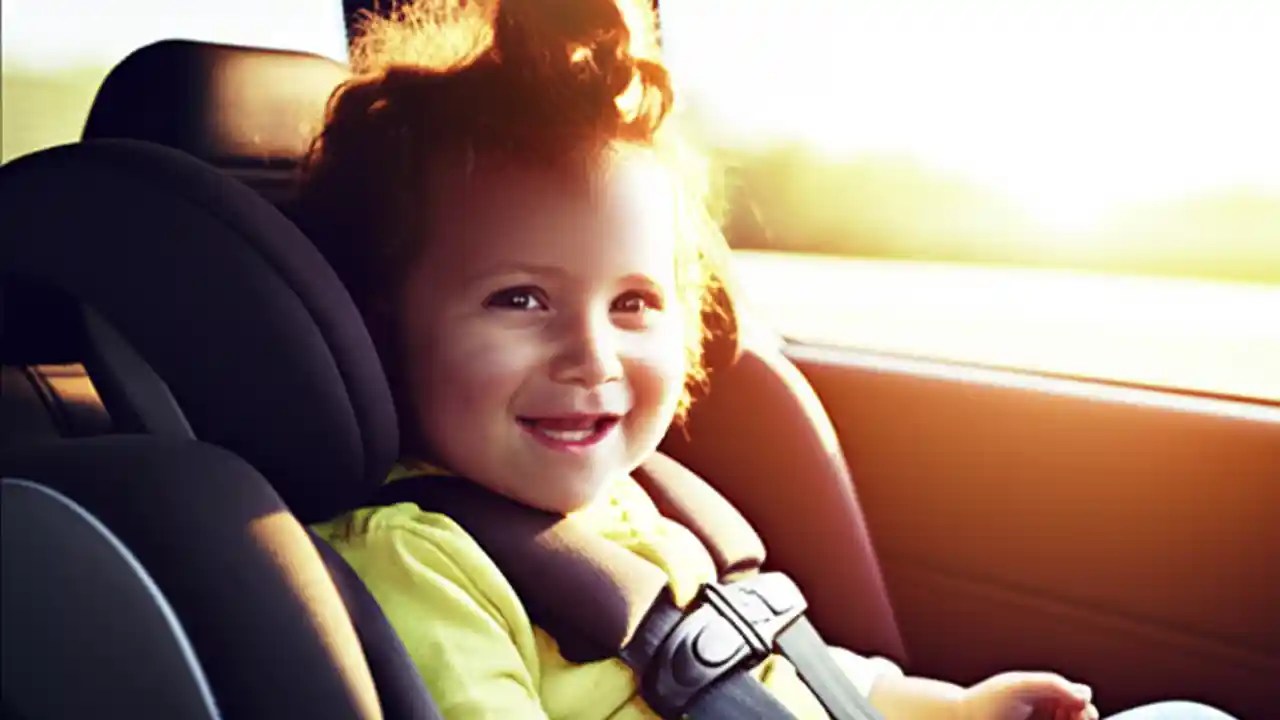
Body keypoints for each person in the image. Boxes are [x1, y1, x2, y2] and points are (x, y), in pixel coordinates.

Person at [302, 1, 1238, 718]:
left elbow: (798, 672)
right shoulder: (414, 563)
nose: (591, 354)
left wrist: (953, 705)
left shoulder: (643, 505)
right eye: (520, 299)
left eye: (634, 303)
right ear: (384, 326)